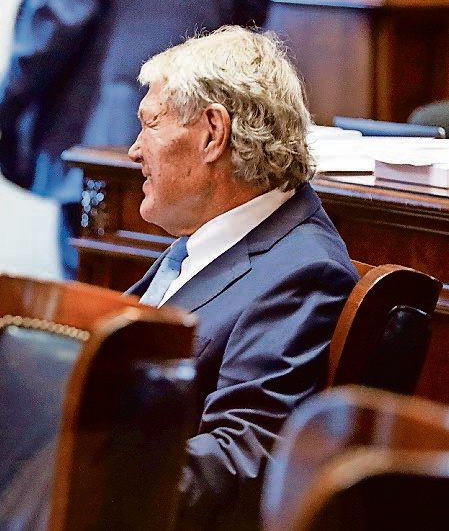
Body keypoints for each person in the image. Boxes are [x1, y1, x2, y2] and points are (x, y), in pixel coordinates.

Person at [124, 26, 359, 530]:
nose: (134, 150)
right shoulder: (207, 240)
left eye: (150, 125)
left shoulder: (302, 272)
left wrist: (64, 463)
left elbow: (239, 461)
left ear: (212, 132)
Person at [0, 0, 270, 279]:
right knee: (184, 291)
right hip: (203, 136)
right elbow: (251, 4)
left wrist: (3, 103)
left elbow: (60, 13)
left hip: (105, 138)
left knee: (94, 302)